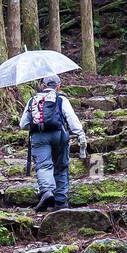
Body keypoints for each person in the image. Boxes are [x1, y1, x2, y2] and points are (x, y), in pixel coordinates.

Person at [19, 74, 87, 212]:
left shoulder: (33, 100)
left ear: (42, 85)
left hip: (39, 137)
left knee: (43, 165)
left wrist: (37, 126)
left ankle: (47, 191)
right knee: (61, 166)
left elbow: (23, 124)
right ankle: (61, 201)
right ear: (58, 86)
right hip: (59, 135)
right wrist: (80, 134)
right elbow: (72, 120)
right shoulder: (61, 99)